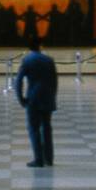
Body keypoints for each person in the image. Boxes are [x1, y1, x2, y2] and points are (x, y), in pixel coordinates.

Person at [15, 33, 58, 168]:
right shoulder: (49, 60)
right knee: (47, 128)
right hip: (47, 98)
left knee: (33, 129)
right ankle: (49, 159)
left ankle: (38, 159)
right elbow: (55, 81)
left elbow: (19, 81)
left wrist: (21, 98)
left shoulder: (27, 60)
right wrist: (53, 96)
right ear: (40, 46)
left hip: (33, 99)